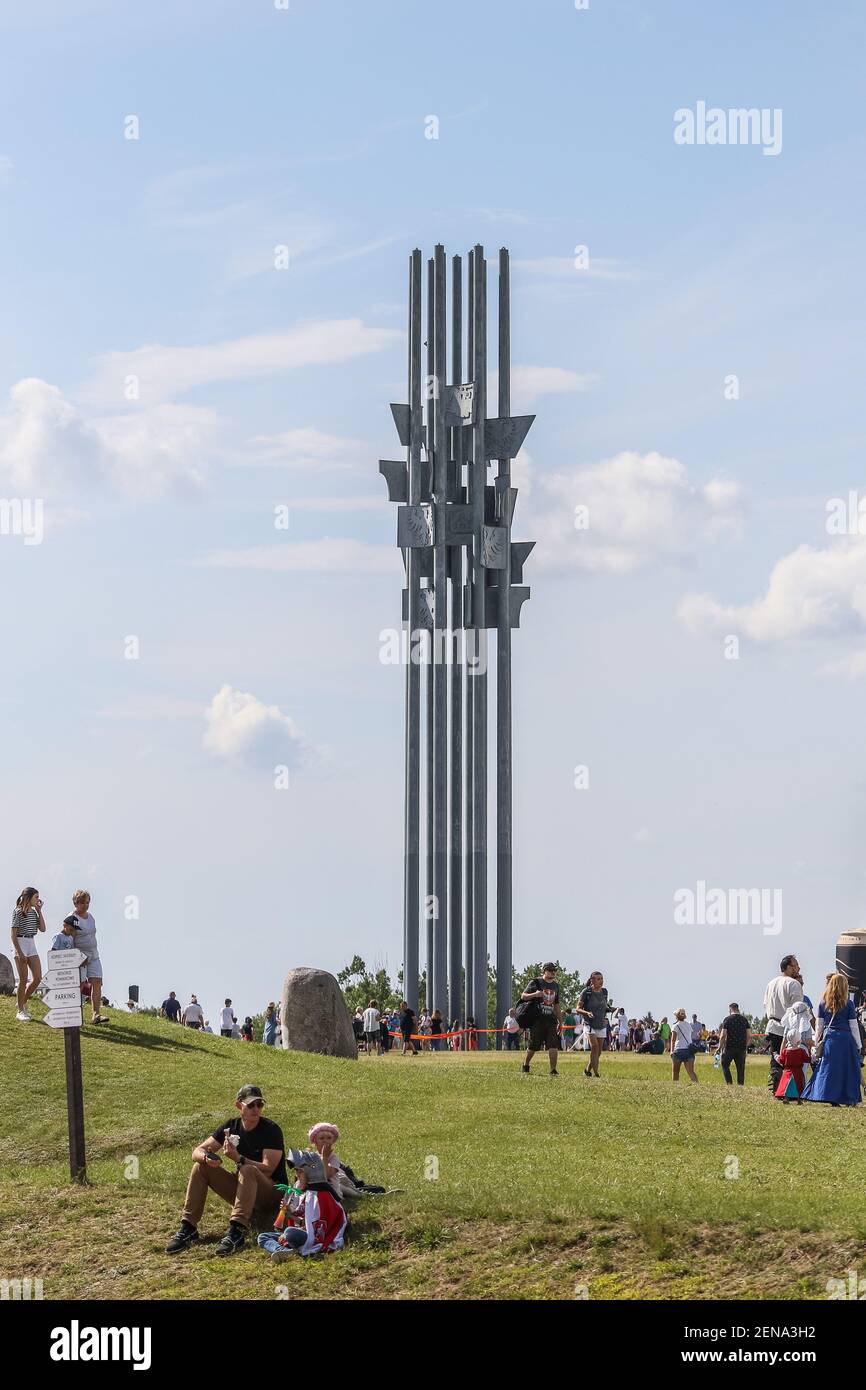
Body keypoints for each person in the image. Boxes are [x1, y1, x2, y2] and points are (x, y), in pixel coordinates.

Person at [165, 1084, 287, 1256]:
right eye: (251, 1105)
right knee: (200, 1167)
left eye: (260, 1104)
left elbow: (268, 1169)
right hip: (245, 1189)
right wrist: (207, 1158)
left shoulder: (271, 1130)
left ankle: (237, 1230)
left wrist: (238, 1158)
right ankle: (189, 1227)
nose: (256, 1109)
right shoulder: (231, 1126)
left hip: (272, 1192)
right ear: (239, 1105)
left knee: (247, 1170)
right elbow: (197, 1151)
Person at [802, 974, 863, 1107]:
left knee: (829, 1069)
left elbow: (819, 1026)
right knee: (846, 1069)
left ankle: (827, 1095)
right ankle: (848, 1098)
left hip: (830, 1038)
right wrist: (858, 1044)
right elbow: (853, 1026)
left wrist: (816, 1042)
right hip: (845, 1040)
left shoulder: (823, 1003)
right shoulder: (849, 1004)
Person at [763, 954, 803, 1094]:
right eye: (795, 965)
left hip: (773, 1025)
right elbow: (797, 1008)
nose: (798, 968)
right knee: (792, 1061)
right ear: (788, 967)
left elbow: (765, 1004)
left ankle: (776, 1085)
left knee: (776, 1059)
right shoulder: (794, 984)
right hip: (788, 1027)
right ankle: (787, 1090)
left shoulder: (771, 983)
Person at [68, 891, 105, 1024]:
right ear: (76, 903)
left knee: (97, 982)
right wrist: (77, 957)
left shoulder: (91, 917)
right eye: (82, 902)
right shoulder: (72, 918)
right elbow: (69, 940)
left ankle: (96, 1015)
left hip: (94, 955)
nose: (85, 905)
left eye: (87, 902)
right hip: (80, 957)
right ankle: (75, 1014)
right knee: (81, 985)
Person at [520, 963, 562, 1076]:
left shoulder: (556, 986)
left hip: (551, 1019)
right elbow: (523, 996)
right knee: (534, 1045)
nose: (553, 972)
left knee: (553, 1044)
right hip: (537, 1019)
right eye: (550, 970)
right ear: (544, 971)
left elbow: (557, 1005)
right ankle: (525, 1064)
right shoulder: (536, 982)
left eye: (554, 970)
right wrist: (535, 994)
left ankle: (553, 1070)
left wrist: (560, 1021)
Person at [11, 887, 46, 1022]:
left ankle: (22, 1002)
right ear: (29, 897)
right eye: (36, 897)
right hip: (20, 942)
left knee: (37, 978)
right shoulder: (18, 911)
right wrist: (19, 952)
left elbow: (42, 929)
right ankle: (20, 1010)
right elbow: (13, 934)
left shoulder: (34, 912)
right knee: (23, 979)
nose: (38, 900)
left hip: (31, 943)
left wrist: (39, 911)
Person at [576, 971, 614, 1078]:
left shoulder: (605, 992)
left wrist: (611, 1009)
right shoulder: (586, 992)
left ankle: (587, 1070)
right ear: (592, 980)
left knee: (599, 1052)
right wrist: (587, 1013)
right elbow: (578, 1008)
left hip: (601, 1024)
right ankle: (596, 1073)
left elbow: (604, 1006)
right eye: (598, 979)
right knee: (594, 1047)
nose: (601, 981)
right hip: (589, 1024)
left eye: (601, 979)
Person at [774, 1002, 813, 1103]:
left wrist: (782, 1053)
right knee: (801, 1075)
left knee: (788, 1075)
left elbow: (784, 1040)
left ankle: (787, 1094)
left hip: (788, 1050)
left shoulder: (789, 1022)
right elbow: (808, 1041)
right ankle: (800, 1095)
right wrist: (816, 1045)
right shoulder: (806, 1023)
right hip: (802, 1050)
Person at [716, 1002, 749, 1086]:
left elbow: (723, 1035)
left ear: (730, 1009)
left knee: (725, 1064)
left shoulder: (727, 1019)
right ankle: (740, 1086)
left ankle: (729, 1084)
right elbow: (749, 1036)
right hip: (741, 1048)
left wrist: (719, 1048)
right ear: (738, 1009)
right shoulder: (744, 1020)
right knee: (740, 1069)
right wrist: (746, 1047)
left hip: (729, 1047)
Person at [670, 1009, 698, 1084]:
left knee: (675, 1072)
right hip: (689, 1050)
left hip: (679, 1050)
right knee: (691, 1072)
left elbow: (673, 1040)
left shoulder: (675, 1026)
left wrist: (671, 1051)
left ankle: (675, 1087)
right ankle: (697, 1086)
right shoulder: (688, 1025)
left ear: (676, 1016)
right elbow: (689, 1035)